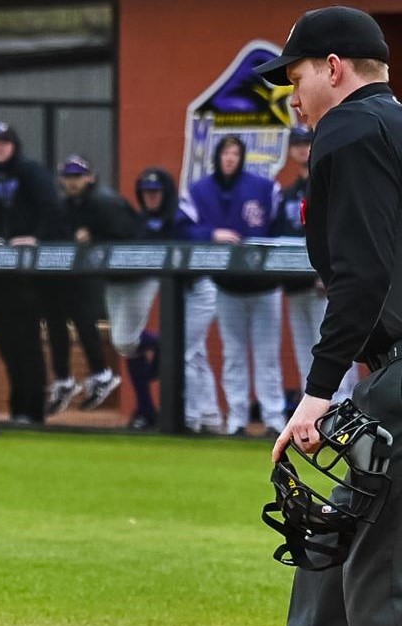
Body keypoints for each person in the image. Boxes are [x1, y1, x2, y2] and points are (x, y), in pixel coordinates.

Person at [221, 6, 402, 626]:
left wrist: (318, 393)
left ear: (335, 66)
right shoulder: (391, 127)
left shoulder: (350, 132)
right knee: (334, 542)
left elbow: (360, 277)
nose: (289, 94)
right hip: (392, 371)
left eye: (293, 76)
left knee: (376, 576)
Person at [106, 168, 218, 429]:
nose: (151, 197)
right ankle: (210, 416)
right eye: (146, 192)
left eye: (156, 192)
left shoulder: (179, 214)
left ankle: (190, 419)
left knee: (184, 350)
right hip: (177, 293)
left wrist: (212, 235)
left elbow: (196, 233)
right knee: (195, 352)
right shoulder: (141, 221)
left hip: (199, 288)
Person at [191, 135, 285, 434]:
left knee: (268, 357)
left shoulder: (263, 187)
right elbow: (182, 227)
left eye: (235, 153)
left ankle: (273, 419)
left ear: (242, 157)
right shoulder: (200, 190)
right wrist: (211, 235)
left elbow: (280, 228)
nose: (230, 158)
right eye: (225, 153)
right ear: (217, 157)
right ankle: (236, 419)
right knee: (233, 356)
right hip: (227, 288)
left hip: (265, 288)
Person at [0, 122, 63, 425]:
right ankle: (17, 410)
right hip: (5, 266)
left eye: (4, 142)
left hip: (33, 268)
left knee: (28, 341)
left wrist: (36, 237)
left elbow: (51, 208)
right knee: (7, 341)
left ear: (14, 145)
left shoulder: (31, 171)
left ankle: (34, 411)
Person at [50, 155, 127, 411]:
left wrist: (94, 235)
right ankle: (66, 378)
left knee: (85, 320)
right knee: (57, 319)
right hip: (70, 270)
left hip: (106, 273)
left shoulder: (102, 201)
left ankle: (101, 373)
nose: (73, 182)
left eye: (78, 177)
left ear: (89, 177)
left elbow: (124, 232)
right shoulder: (65, 206)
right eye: (68, 177)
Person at [274, 124, 343, 400]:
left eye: (307, 142)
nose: (302, 148)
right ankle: (313, 410)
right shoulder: (287, 194)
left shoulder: (327, 182)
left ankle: (343, 405)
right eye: (297, 144)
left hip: (323, 282)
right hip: (296, 284)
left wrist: (328, 274)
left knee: (334, 346)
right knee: (305, 351)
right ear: (290, 150)